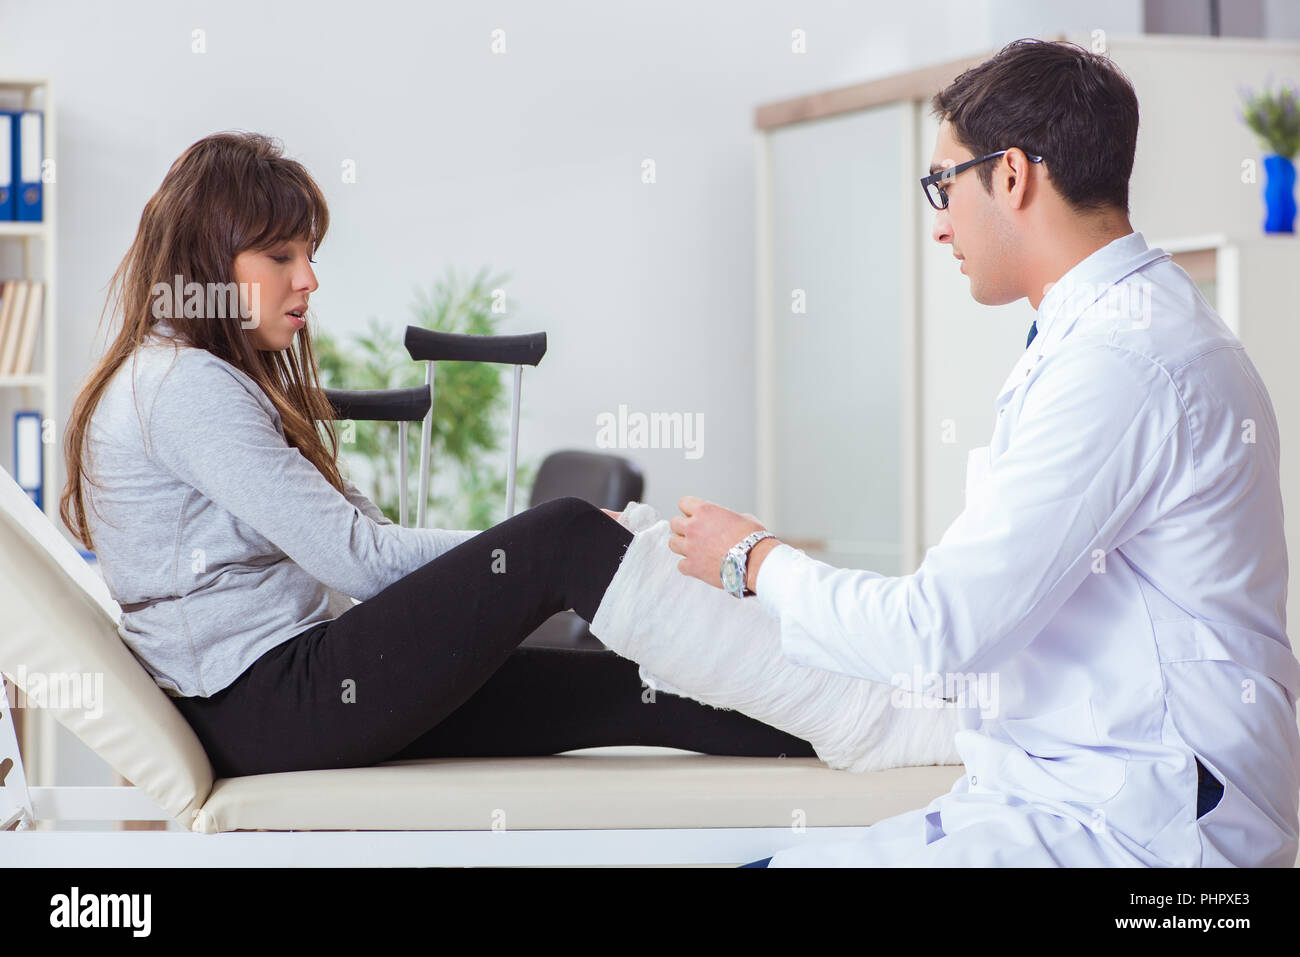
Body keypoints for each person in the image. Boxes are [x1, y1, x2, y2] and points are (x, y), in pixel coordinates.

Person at [599, 37, 1300, 867]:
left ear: (1013, 176)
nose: (939, 225)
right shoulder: (1108, 336)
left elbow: (939, 631)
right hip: (1064, 798)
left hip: (1144, 836)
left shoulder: (1122, 363)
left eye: (943, 184)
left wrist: (754, 560)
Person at [58, 129, 820, 791]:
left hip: (277, 699)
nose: (309, 279)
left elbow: (364, 533)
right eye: (280, 254)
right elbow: (360, 559)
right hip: (268, 701)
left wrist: (515, 561)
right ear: (208, 263)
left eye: (309, 254)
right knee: (564, 531)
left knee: (634, 690)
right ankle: (818, 670)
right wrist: (536, 552)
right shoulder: (184, 385)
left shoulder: (194, 377)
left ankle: (840, 722)